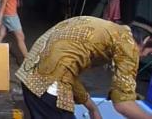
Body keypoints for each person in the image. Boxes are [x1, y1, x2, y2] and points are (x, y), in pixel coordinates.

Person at [17, 16, 152, 119]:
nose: (143, 57)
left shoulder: (109, 29)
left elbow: (67, 71)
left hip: (29, 77)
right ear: (146, 41)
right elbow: (123, 104)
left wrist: (92, 108)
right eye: (149, 53)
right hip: (47, 86)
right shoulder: (129, 44)